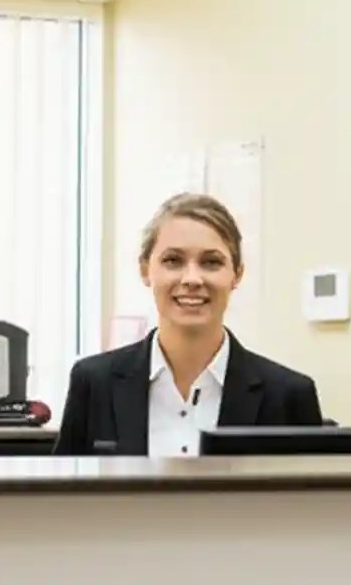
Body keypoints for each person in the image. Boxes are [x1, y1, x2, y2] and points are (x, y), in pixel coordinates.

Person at [53, 192, 323, 456]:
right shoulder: (93, 382)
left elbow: (309, 501)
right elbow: (63, 499)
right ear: (145, 270)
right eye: (173, 261)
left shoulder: (289, 395)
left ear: (237, 274)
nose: (192, 279)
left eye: (211, 262)